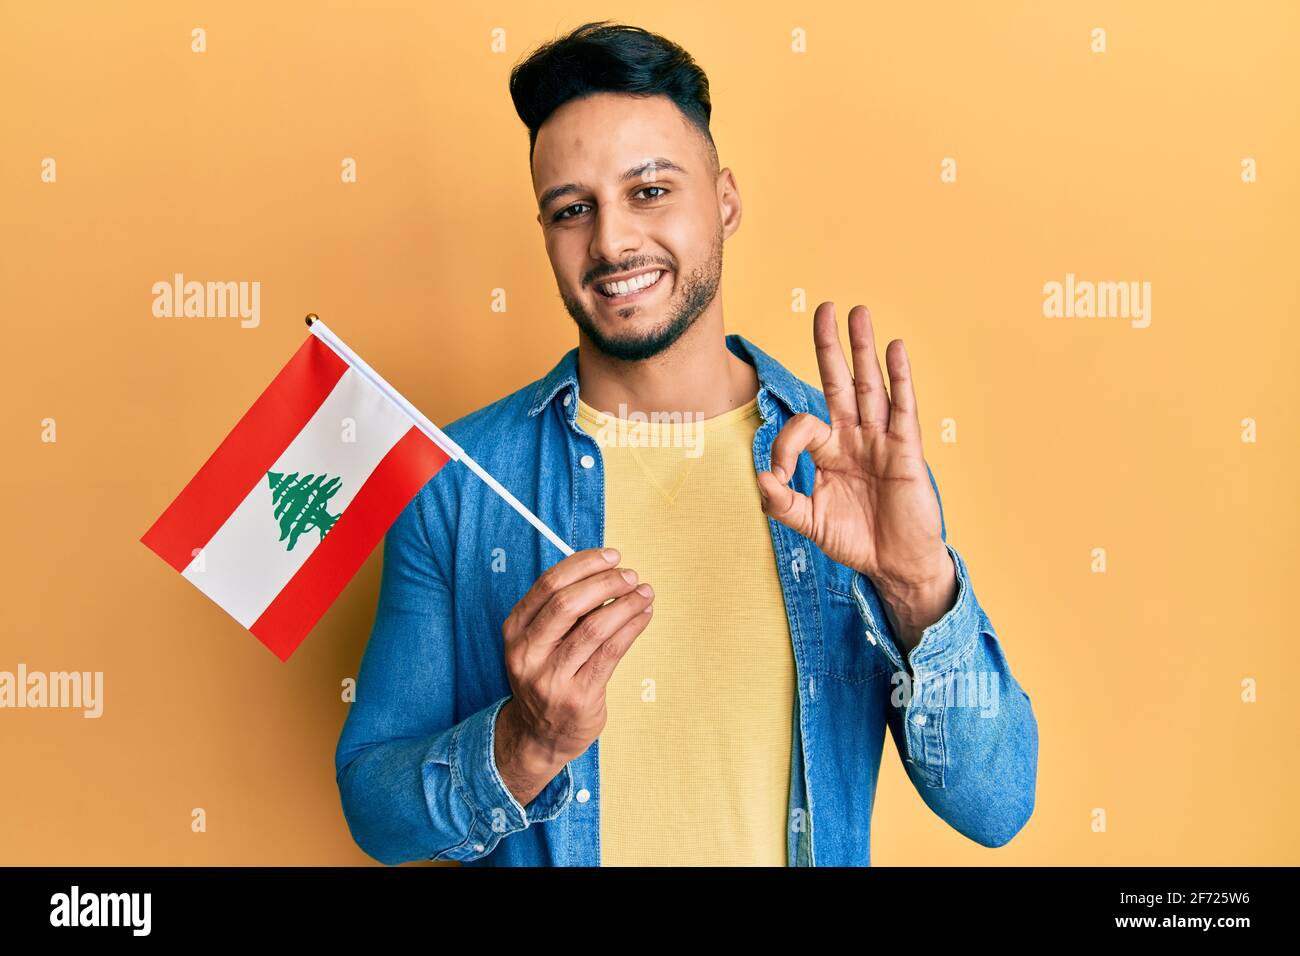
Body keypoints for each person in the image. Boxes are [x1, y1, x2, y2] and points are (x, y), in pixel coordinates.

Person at [335, 20, 1038, 866]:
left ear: (726, 200)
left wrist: (918, 585)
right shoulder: (458, 485)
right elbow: (374, 807)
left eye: (651, 191)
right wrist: (523, 744)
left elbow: (997, 802)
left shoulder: (847, 460)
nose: (612, 242)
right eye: (572, 210)